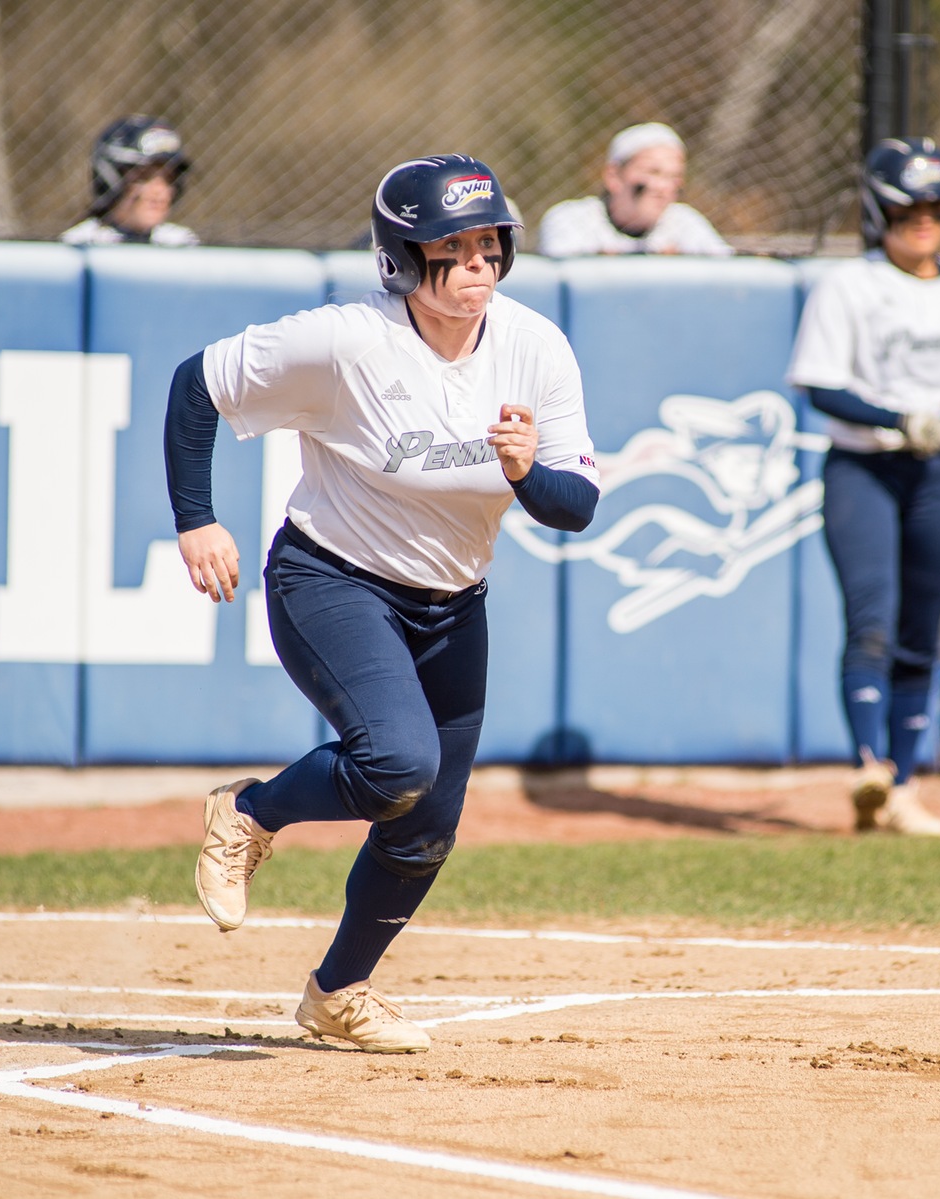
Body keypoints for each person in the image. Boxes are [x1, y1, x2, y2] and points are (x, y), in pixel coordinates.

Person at [165, 155, 599, 1052]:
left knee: (427, 824)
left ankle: (338, 992)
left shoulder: (534, 346)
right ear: (400, 257)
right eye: (453, 248)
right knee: (399, 764)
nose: (478, 265)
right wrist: (196, 520)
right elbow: (196, 385)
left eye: (490, 245)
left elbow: (574, 507)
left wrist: (527, 471)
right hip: (333, 579)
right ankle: (250, 812)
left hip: (453, 604)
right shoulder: (346, 340)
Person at [786, 137, 940, 835]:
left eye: (936, 209)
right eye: (909, 209)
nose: (923, 222)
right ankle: (869, 768)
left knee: (921, 631)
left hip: (938, 475)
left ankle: (905, 786)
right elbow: (820, 385)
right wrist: (898, 419)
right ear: (881, 211)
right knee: (871, 620)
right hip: (864, 469)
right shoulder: (850, 287)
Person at [535, 122, 733, 257]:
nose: (664, 187)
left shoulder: (686, 223)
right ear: (613, 176)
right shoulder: (571, 219)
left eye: (674, 177)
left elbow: (728, 277)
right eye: (653, 172)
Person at [61, 115, 198, 246]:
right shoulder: (83, 244)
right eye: (144, 178)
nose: (160, 192)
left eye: (169, 179)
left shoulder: (180, 243)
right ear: (111, 180)